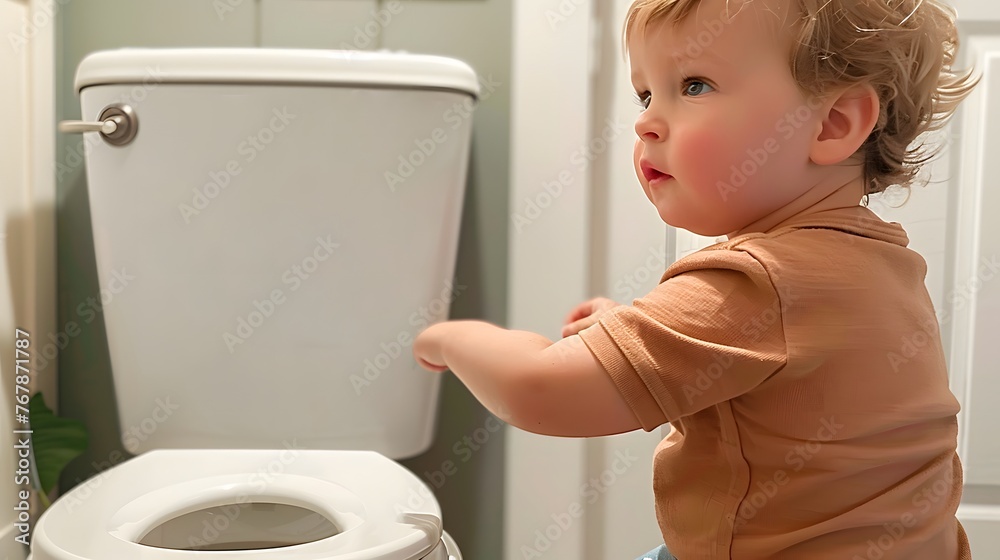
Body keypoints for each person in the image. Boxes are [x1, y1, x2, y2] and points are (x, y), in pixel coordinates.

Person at [414, 0, 979, 557]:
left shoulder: (762, 280)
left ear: (832, 124)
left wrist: (452, 337)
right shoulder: (882, 262)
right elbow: (763, 376)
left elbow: (538, 390)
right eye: (645, 93)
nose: (644, 121)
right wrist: (637, 333)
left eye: (695, 85)